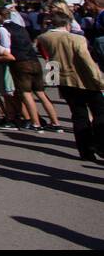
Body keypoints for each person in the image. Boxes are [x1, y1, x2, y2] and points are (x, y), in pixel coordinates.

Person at [36, 12, 104, 161]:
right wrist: (99, 80)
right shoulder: (77, 39)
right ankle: (100, 144)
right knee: (100, 113)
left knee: (79, 115)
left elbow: (50, 59)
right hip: (84, 80)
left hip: (64, 81)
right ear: (67, 24)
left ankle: (85, 151)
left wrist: (53, 79)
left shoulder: (44, 38)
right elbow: (86, 61)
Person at [5, 11, 65, 133]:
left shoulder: (6, 29)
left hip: (22, 62)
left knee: (26, 93)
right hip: (35, 61)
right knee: (41, 93)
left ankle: (36, 123)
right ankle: (56, 123)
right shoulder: (23, 30)